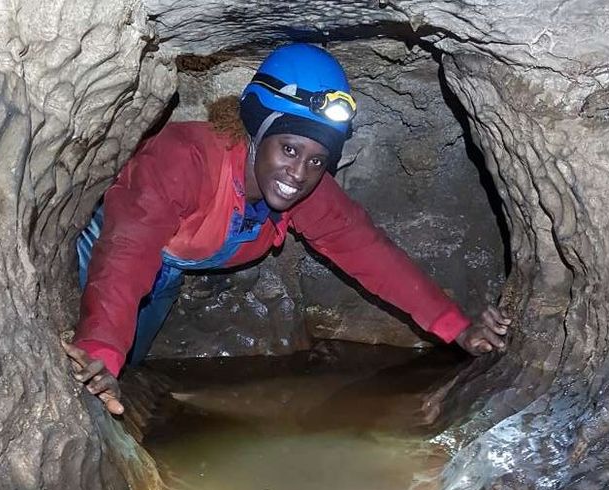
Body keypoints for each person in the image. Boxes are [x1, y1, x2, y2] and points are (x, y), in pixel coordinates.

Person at [62, 43, 511, 415]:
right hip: (104, 245)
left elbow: (375, 257)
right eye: (290, 149)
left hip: (167, 269)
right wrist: (100, 352)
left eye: (317, 159)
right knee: (108, 357)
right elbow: (126, 253)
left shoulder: (307, 191)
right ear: (259, 133)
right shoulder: (186, 159)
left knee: (134, 359)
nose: (299, 173)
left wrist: (458, 328)